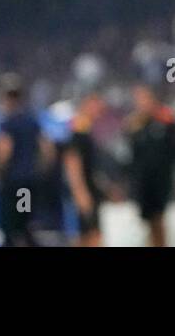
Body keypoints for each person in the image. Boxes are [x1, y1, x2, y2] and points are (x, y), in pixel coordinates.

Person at [0, 73, 55, 247]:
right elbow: (47, 149)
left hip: (14, 184)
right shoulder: (31, 120)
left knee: (12, 228)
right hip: (28, 184)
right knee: (26, 224)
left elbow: (4, 149)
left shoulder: (9, 122)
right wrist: (39, 170)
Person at [126, 84, 175, 247]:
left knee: (158, 219)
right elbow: (131, 156)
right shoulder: (135, 124)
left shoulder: (166, 120)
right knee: (149, 222)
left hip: (160, 180)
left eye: (143, 98)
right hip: (143, 182)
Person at [62, 92, 107, 246]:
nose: (100, 110)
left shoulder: (86, 129)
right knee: (91, 234)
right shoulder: (79, 130)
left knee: (88, 233)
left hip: (89, 187)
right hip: (84, 189)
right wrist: (80, 191)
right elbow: (72, 161)